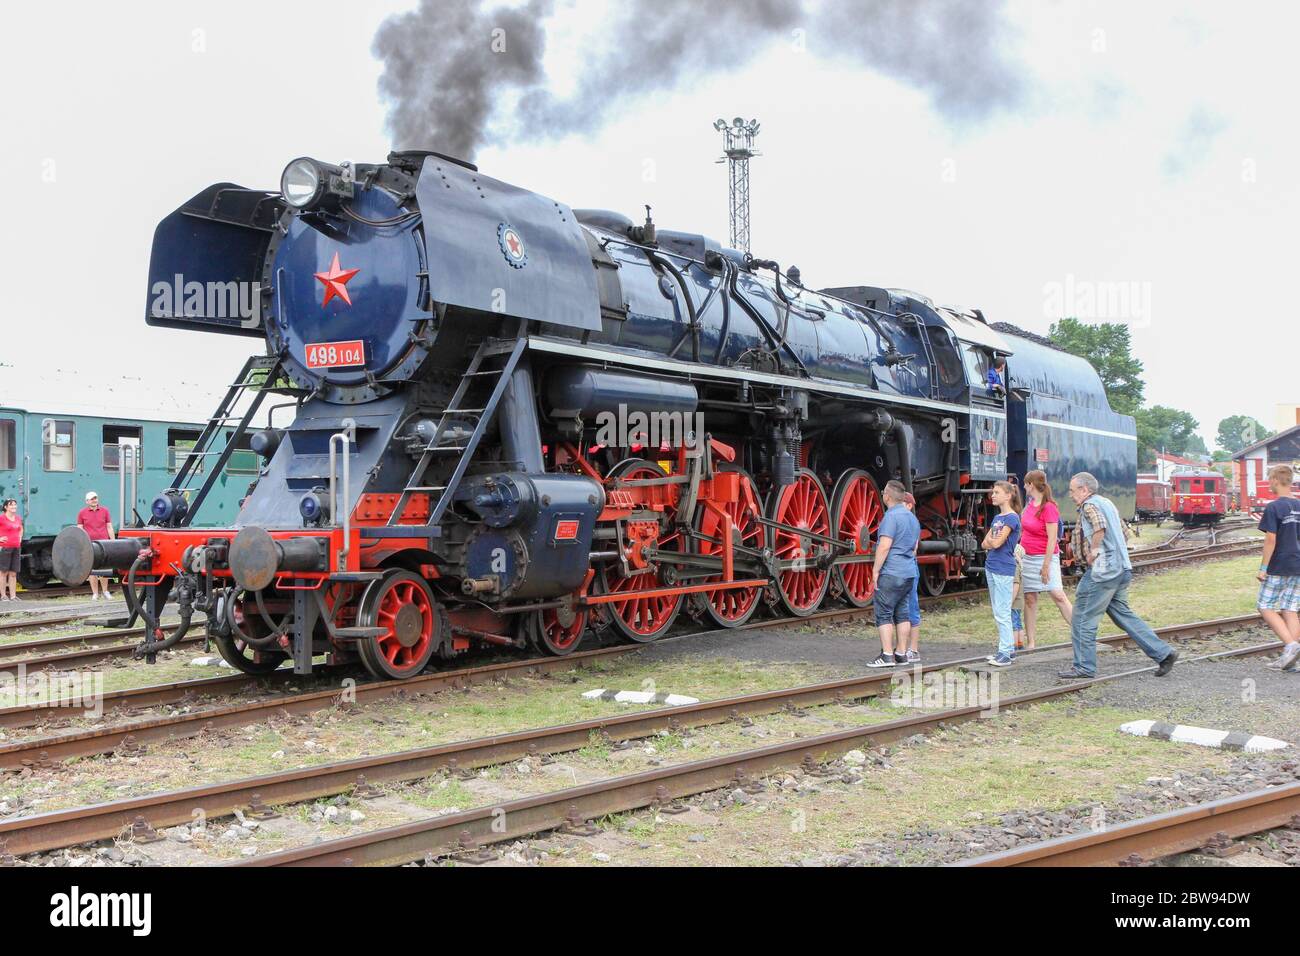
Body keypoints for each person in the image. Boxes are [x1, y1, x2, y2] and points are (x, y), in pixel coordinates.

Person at [1060, 472, 1177, 679]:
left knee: (1082, 618)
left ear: (1084, 490)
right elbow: (1124, 532)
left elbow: (1099, 527)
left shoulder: (1089, 506)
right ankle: (1163, 653)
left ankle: (1084, 667)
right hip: (1122, 569)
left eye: (1072, 490)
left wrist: (1094, 550)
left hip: (1103, 573)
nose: (1070, 494)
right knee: (1123, 615)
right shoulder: (1108, 503)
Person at [866, 480, 921, 668]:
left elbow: (884, 546)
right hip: (909, 572)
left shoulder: (890, 517)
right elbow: (914, 548)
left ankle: (887, 655)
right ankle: (902, 654)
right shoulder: (913, 518)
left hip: (892, 572)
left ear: (887, 496)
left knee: (884, 613)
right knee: (903, 614)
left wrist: (875, 570)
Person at [1019, 469, 1073, 649]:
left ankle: (1081, 633)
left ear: (1031, 485)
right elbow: (1024, 529)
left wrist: (1045, 565)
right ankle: (1031, 641)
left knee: (1057, 594)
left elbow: (1052, 539)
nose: (1024, 487)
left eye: (1025, 484)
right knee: (1030, 598)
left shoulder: (1049, 507)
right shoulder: (1029, 505)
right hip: (1028, 557)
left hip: (1045, 557)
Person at [1257, 464, 1300, 670]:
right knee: (1290, 609)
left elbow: (1270, 540)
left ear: (1274, 480)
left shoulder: (1274, 507)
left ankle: (1291, 645)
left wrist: (1263, 567)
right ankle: (1290, 660)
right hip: (1298, 564)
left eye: (1269, 479)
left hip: (1279, 564)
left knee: (1265, 606)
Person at [982, 480, 1022, 666]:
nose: (993, 495)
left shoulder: (1012, 518)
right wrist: (991, 540)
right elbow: (984, 543)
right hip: (991, 565)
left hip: (1004, 568)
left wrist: (992, 540)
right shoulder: (997, 518)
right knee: (998, 610)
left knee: (1003, 611)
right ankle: (1006, 648)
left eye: (997, 492)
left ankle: (1005, 652)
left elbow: (996, 543)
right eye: (993, 492)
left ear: (1008, 495)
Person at [77, 492, 115, 601]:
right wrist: (82, 543)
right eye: (91, 499)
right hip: (90, 544)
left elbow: (109, 527)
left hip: (104, 544)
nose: (94, 500)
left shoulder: (105, 511)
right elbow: (80, 529)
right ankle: (95, 594)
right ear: (87, 501)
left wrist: (112, 542)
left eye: (95, 498)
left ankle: (105, 591)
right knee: (92, 569)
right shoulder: (82, 513)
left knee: (105, 568)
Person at [900, 492, 922, 663]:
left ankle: (913, 649)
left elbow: (913, 549)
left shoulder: (912, 523)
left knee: (911, 607)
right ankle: (902, 648)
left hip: (907, 565)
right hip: (903, 566)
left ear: (908, 505)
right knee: (901, 609)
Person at [0, 499, 22, 602]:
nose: (14, 507)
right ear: (5, 507)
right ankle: (3, 595)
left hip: (16, 547)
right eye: (11, 505)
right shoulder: (2, 518)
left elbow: (20, 528)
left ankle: (13, 596)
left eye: (15, 505)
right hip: (5, 548)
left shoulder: (18, 518)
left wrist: (19, 539)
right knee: (3, 572)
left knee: (13, 573)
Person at [1011, 544, 1026, 651]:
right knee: (1018, 622)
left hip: (1015, 601)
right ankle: (1020, 643)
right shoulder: (1020, 567)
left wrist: (1009, 602)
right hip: (1020, 601)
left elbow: (1015, 585)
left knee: (1014, 624)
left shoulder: (1015, 567)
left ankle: (1014, 644)